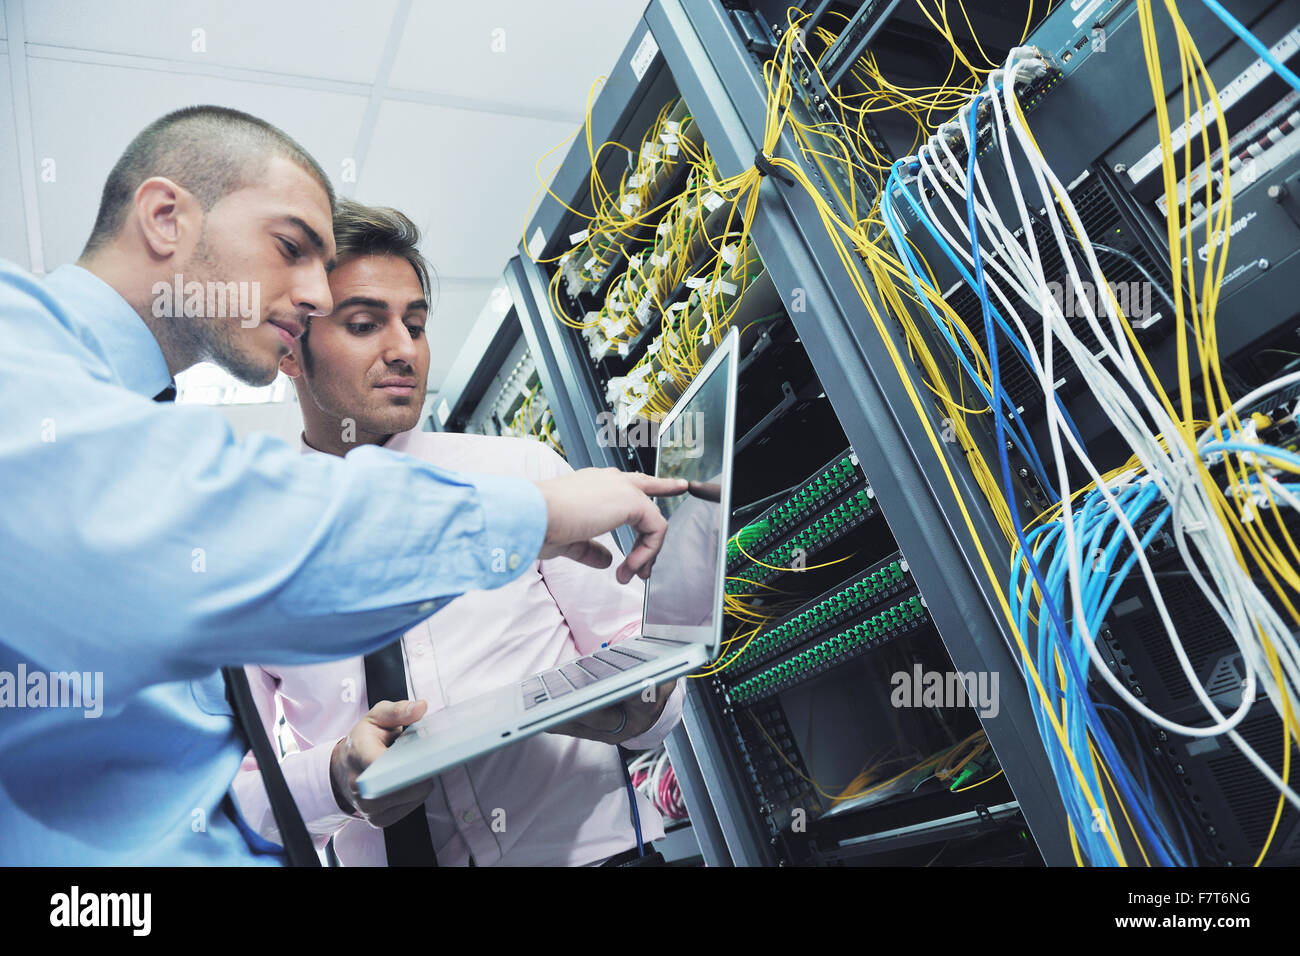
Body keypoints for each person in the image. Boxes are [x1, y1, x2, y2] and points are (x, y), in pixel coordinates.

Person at [0, 105, 682, 865]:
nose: (313, 297)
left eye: (416, 324)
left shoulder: (513, 467)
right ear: (165, 217)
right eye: (290, 249)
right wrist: (333, 778)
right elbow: (246, 544)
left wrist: (628, 704)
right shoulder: (28, 357)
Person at [232, 199, 684, 865]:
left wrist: (643, 706)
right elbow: (224, 799)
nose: (404, 349)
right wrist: (334, 780)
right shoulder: (251, 561)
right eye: (364, 323)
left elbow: (637, 659)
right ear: (289, 348)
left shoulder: (524, 475)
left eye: (415, 324)